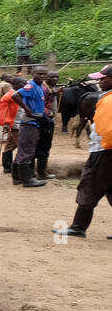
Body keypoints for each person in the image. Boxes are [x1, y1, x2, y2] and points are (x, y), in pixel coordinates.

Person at [54, 65, 112, 238]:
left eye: (103, 78)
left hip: (104, 151)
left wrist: (105, 148)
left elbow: (107, 130)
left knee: (89, 186)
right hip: (106, 150)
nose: (99, 82)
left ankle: (78, 227)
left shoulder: (108, 100)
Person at [13, 68, 49, 188]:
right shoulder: (31, 86)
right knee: (27, 151)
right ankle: (27, 180)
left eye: (44, 74)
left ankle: (17, 177)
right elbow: (16, 95)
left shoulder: (39, 86)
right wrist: (27, 109)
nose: (42, 76)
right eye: (39, 74)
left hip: (35, 122)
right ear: (33, 74)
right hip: (30, 123)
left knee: (23, 149)